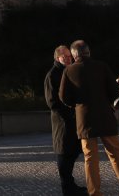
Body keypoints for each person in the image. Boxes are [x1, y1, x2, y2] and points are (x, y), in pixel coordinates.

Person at [59, 40, 119, 196]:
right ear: (88, 52)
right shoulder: (101, 66)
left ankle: (94, 193)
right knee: (116, 155)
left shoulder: (69, 71)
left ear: (75, 54)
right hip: (105, 117)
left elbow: (64, 97)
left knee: (90, 159)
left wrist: (77, 104)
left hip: (85, 120)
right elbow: (114, 91)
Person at [45, 45, 86, 196]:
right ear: (57, 58)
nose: (69, 59)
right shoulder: (52, 75)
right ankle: (67, 188)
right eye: (65, 57)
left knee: (73, 152)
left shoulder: (68, 71)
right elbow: (52, 102)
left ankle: (70, 184)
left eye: (70, 56)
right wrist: (68, 115)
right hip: (63, 122)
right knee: (64, 153)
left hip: (73, 120)